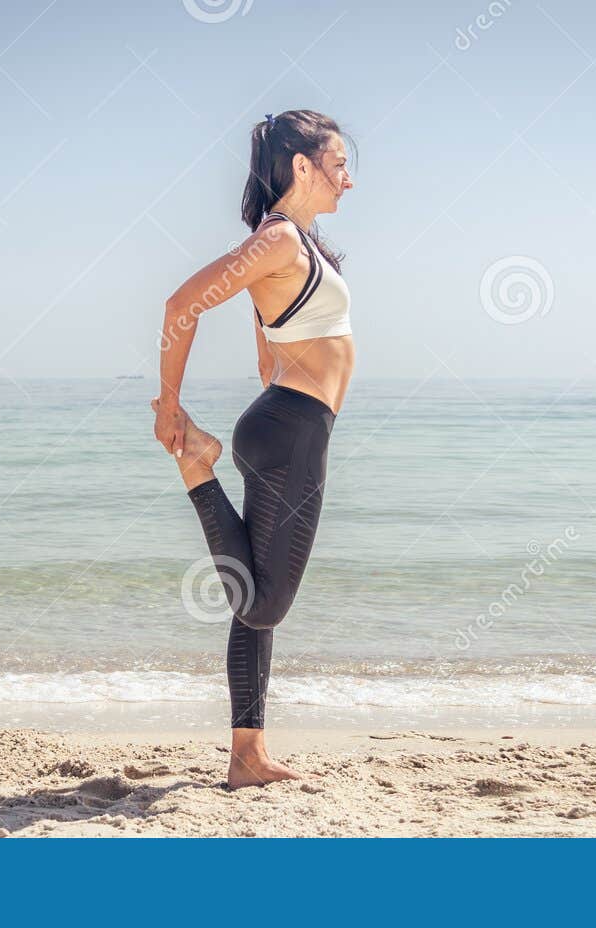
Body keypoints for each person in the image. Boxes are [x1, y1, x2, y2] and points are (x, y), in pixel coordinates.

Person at [152, 109, 355, 788]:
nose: (348, 180)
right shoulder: (278, 242)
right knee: (264, 605)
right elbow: (181, 304)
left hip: (286, 422)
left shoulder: (296, 243)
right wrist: (170, 404)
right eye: (340, 164)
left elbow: (270, 346)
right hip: (292, 430)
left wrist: (275, 397)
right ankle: (196, 466)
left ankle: (247, 756)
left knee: (255, 599)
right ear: (303, 166)